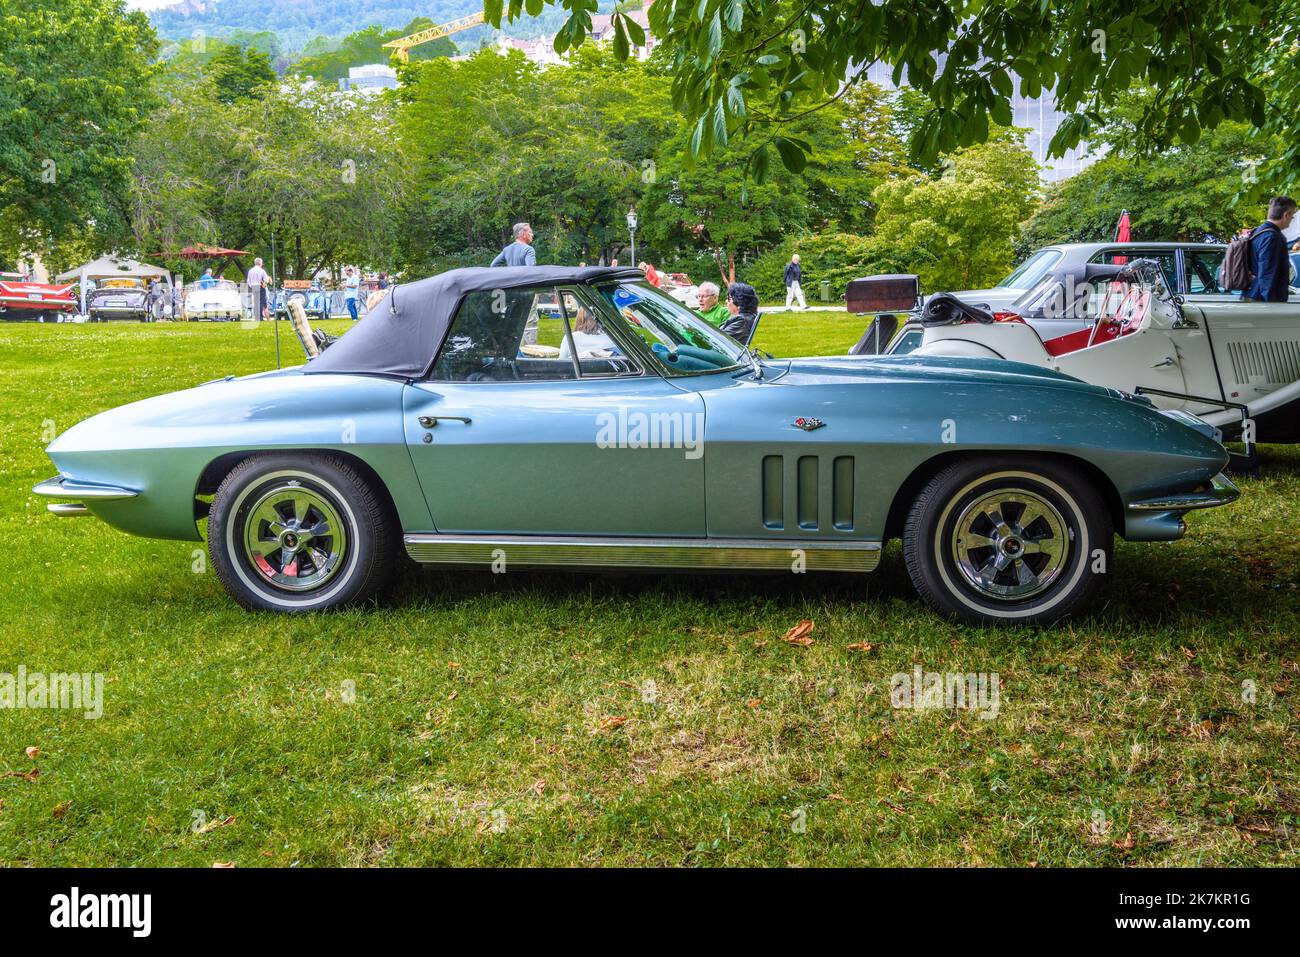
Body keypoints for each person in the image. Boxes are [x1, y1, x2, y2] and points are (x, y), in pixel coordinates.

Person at [1245, 197, 1297, 302]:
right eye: (1292, 216)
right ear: (1286, 215)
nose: (1292, 220)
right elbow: (1267, 273)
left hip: (1251, 293)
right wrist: (1272, 304)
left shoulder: (1257, 232)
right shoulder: (1273, 237)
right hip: (1263, 301)